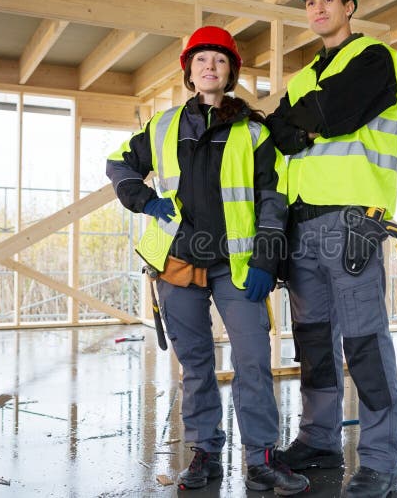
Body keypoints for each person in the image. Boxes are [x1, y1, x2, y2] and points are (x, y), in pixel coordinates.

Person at [106, 26, 309, 496]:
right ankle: (205, 454)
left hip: (237, 266)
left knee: (254, 360)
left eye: (218, 60)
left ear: (231, 71)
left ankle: (260, 459)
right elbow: (119, 163)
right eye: (200, 60)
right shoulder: (162, 127)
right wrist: (144, 200)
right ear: (189, 72)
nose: (209, 67)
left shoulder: (253, 130)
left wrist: (266, 260)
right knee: (195, 364)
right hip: (177, 260)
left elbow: (273, 198)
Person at [265, 0, 397, 497]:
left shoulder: (374, 58)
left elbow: (335, 111)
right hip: (302, 226)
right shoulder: (303, 75)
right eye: (310, 2)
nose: (318, 8)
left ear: (349, 6)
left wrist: (298, 122)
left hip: (350, 221)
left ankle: (380, 458)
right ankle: (319, 437)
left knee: (365, 343)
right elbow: (280, 131)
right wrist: (293, 125)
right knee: (315, 344)